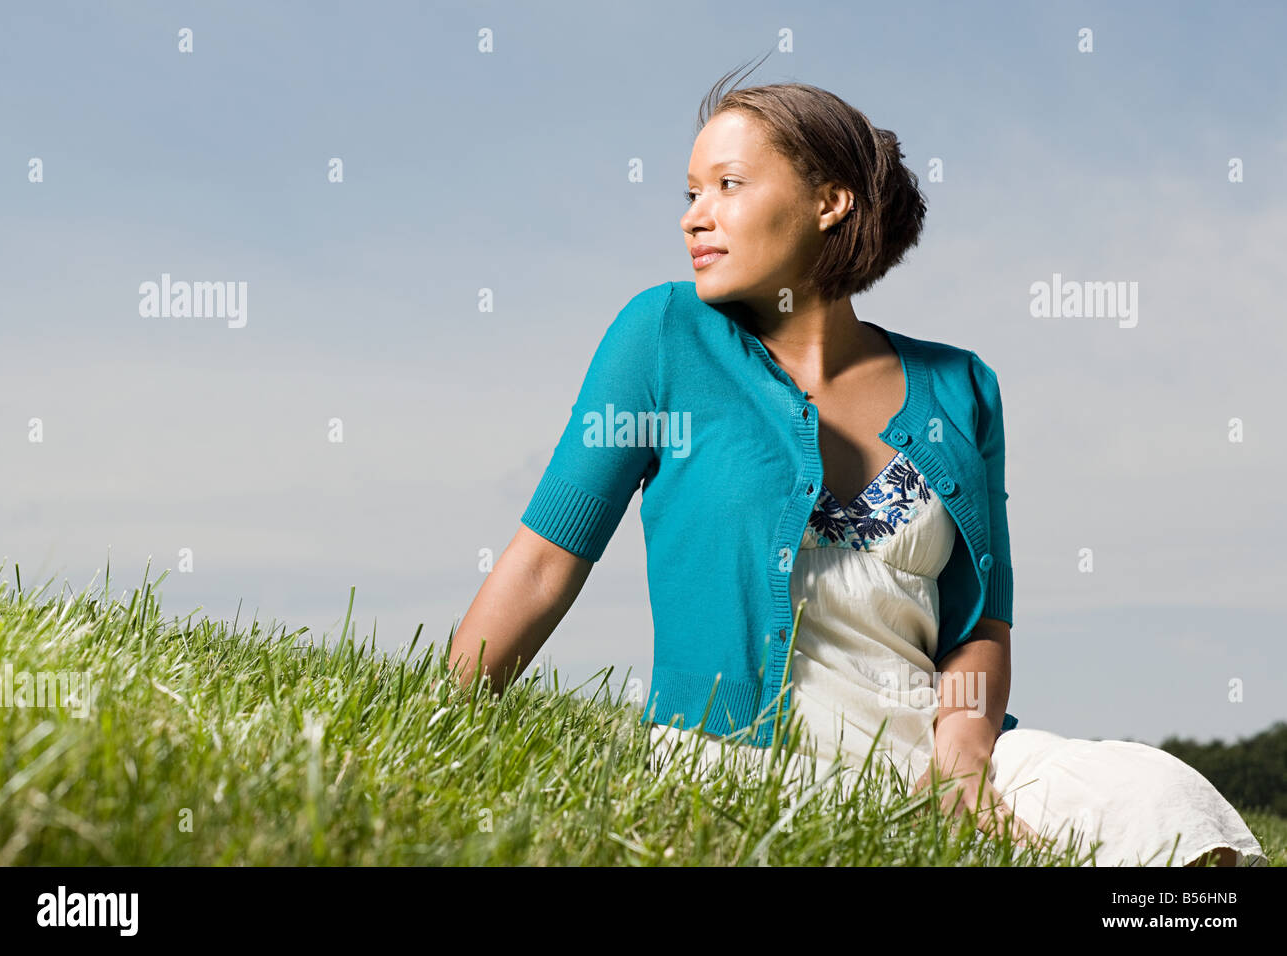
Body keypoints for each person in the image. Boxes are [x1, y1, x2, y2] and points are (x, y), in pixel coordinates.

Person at [448, 59, 1268, 867]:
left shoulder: (962, 386)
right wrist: (444, 720)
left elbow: (980, 625)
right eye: (691, 193)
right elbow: (541, 565)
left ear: (829, 202)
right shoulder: (663, 336)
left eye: (728, 185)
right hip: (741, 762)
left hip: (935, 752)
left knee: (1164, 807)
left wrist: (960, 770)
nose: (696, 216)